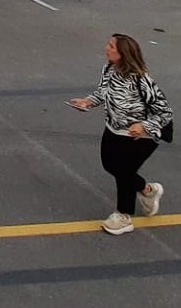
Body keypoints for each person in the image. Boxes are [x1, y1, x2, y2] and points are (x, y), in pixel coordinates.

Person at [68, 33, 173, 235]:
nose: (106, 48)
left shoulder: (142, 80)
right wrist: (88, 101)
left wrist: (144, 126)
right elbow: (102, 92)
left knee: (123, 172)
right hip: (114, 129)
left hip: (141, 136)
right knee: (110, 165)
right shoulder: (109, 69)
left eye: (111, 47)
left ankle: (123, 217)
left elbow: (165, 112)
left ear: (123, 54)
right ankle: (148, 191)